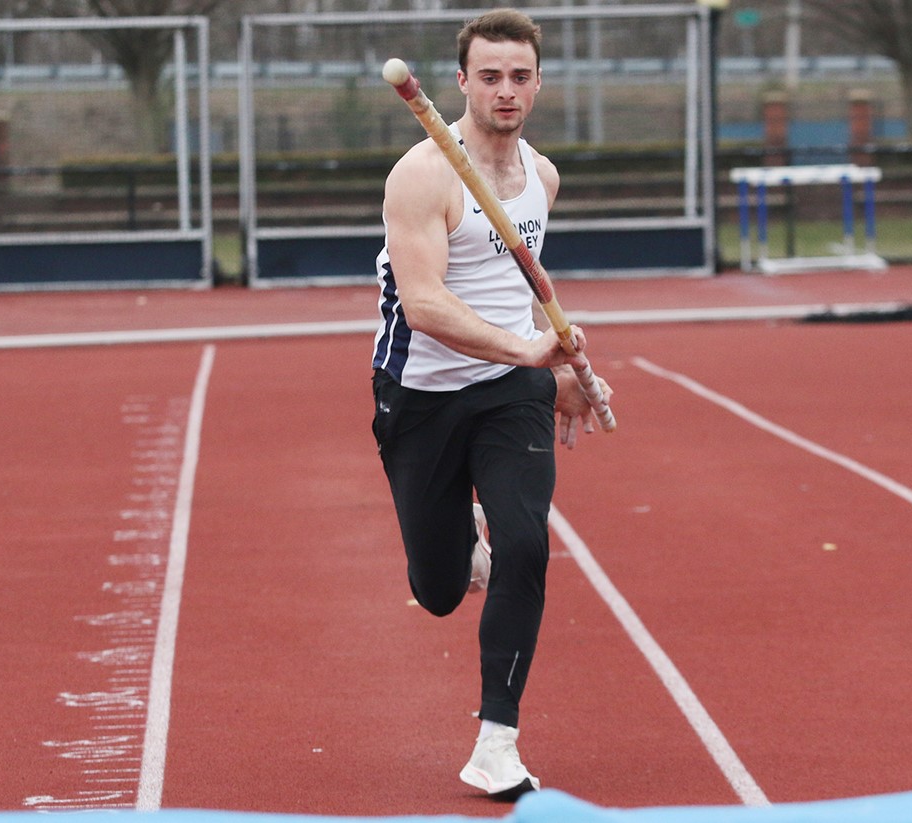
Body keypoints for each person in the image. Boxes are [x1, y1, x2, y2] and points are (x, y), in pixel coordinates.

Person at [369, 8, 612, 801]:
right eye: (489, 75)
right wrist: (529, 350)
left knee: (527, 544)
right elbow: (427, 305)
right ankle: (457, 546)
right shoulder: (422, 175)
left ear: (537, 84)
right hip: (423, 397)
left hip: (511, 394)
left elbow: (525, 286)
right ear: (462, 82)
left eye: (519, 76)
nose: (505, 90)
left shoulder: (540, 177)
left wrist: (559, 362)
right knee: (438, 588)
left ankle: (496, 739)